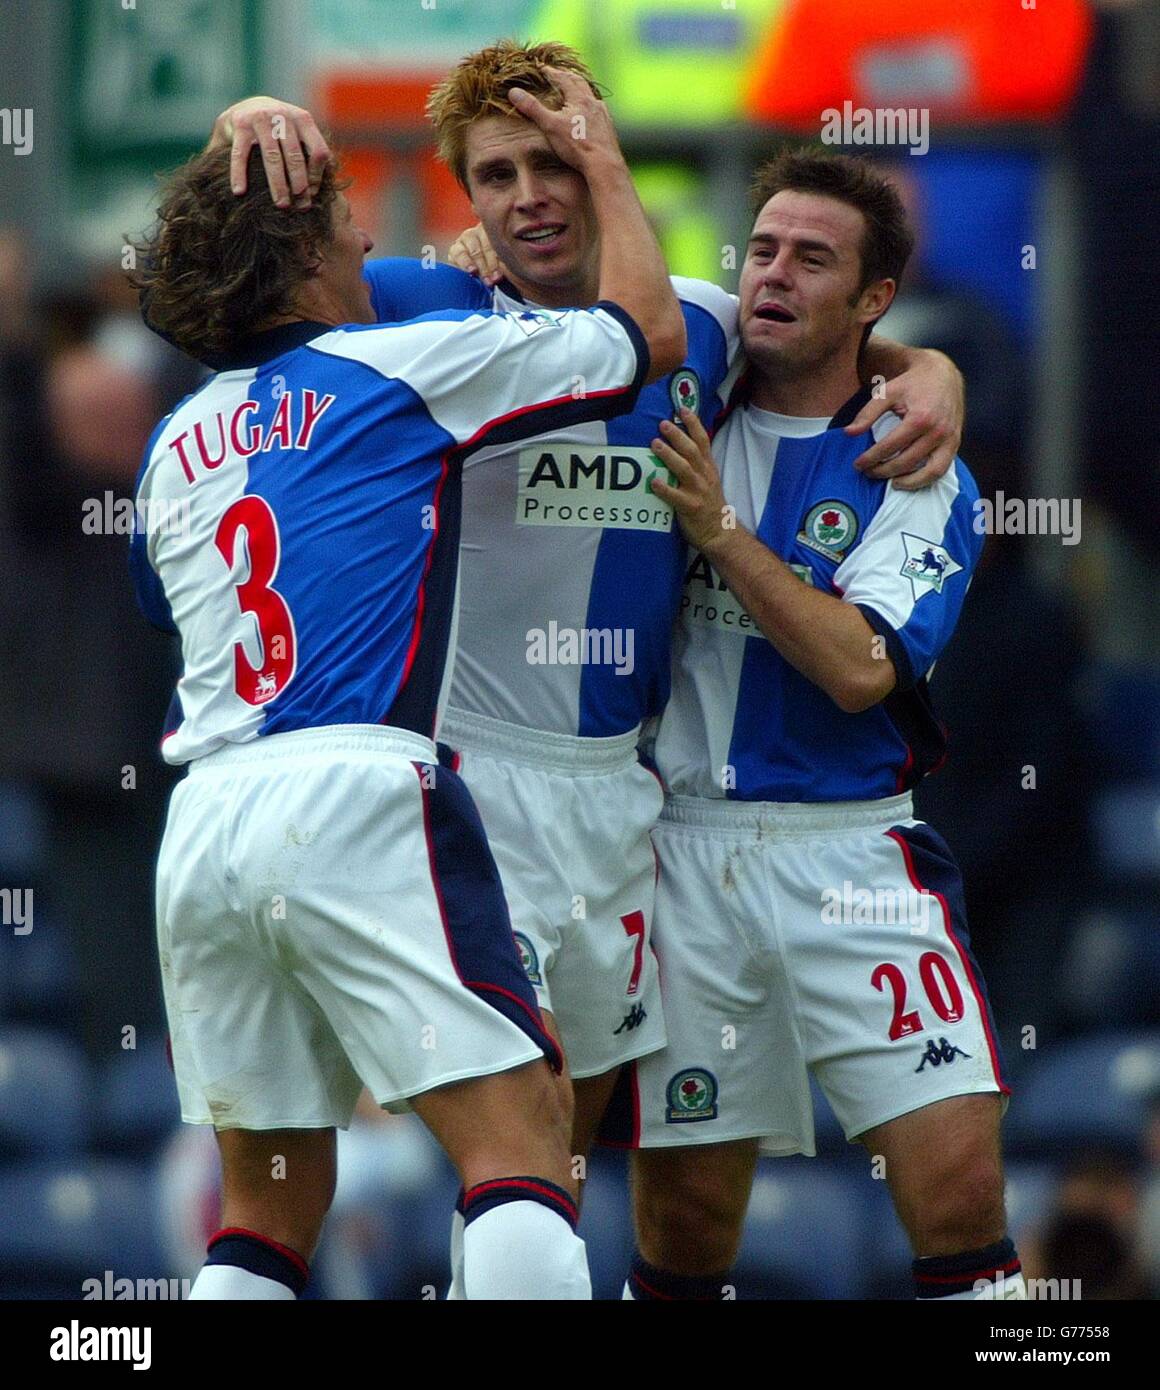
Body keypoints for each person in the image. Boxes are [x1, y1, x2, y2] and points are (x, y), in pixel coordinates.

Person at [208, 40, 966, 1296]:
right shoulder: (408, 306)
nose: (529, 196)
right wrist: (241, 118)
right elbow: (222, 296)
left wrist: (924, 375)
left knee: (545, 1167)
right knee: (476, 1146)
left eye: (555, 160)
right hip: (451, 780)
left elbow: (837, 339)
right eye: (495, 172)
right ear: (466, 196)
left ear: (605, 161)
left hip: (616, 798)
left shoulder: (704, 324)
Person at [129, 68, 685, 1300]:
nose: (369, 233)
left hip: (206, 817)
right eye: (339, 220)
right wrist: (600, 159)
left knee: (265, 1205)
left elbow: (162, 600)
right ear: (299, 254)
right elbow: (648, 337)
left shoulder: (177, 440)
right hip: (358, 786)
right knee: (522, 1149)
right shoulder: (404, 365)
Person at [613, 148, 1023, 1301]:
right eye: (761, 249)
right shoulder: (680, 390)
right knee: (686, 1227)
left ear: (873, 297)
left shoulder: (913, 464)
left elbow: (857, 668)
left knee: (954, 1197)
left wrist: (722, 533)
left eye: (812, 257)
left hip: (850, 854)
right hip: (681, 852)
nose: (771, 275)